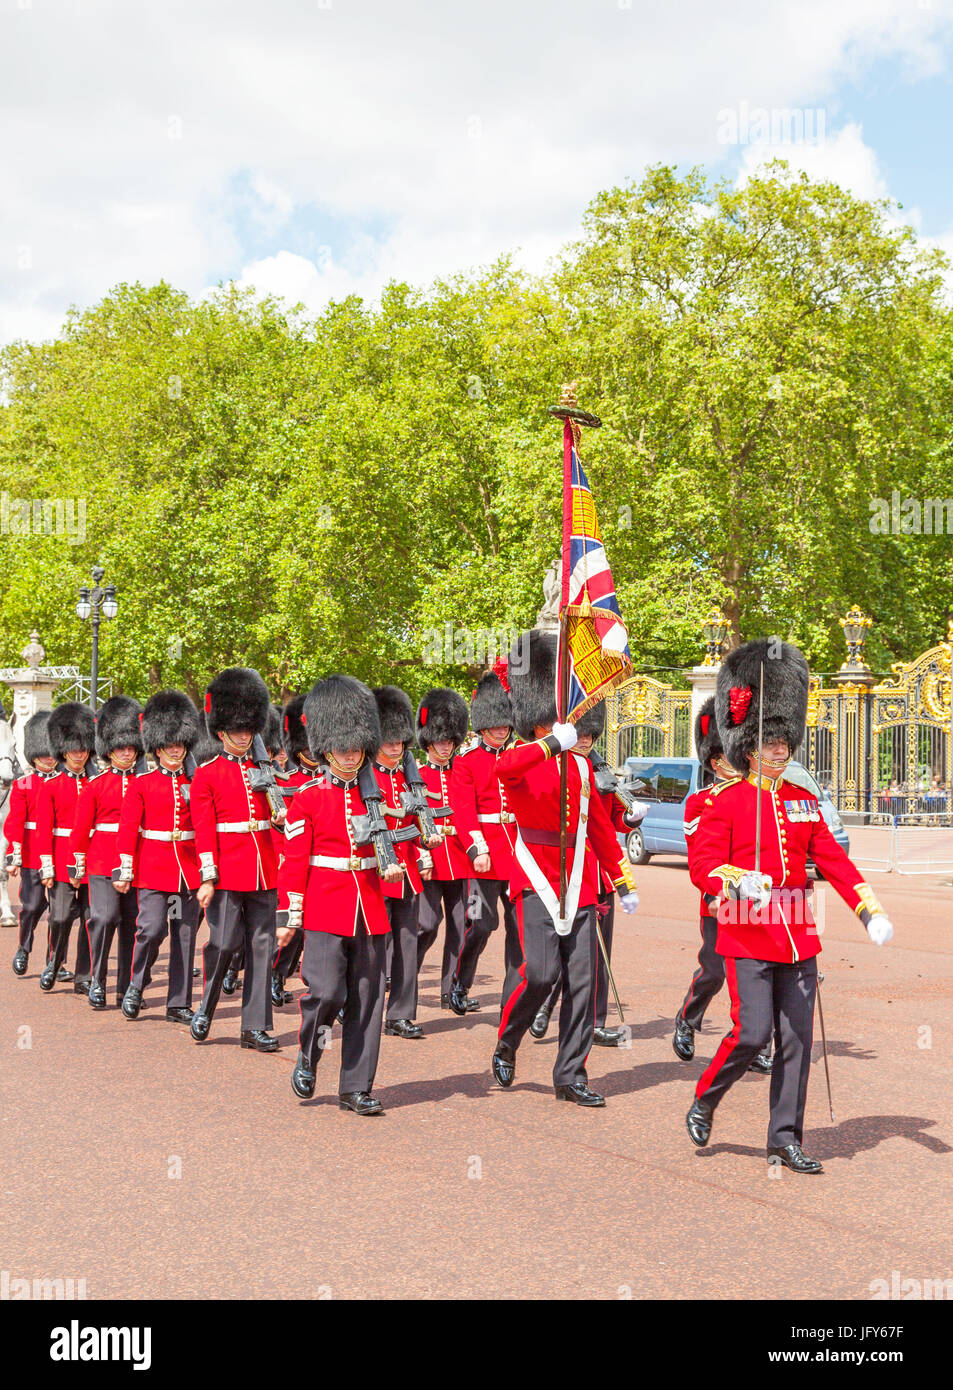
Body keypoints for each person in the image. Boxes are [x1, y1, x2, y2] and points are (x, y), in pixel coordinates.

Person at [685, 638, 895, 1173]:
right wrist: (735, 881)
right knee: (751, 1033)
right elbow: (703, 867)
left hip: (799, 928)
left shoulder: (803, 802)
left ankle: (784, 1138)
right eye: (771, 742)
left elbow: (833, 861)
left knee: (796, 1040)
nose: (780, 750)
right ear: (748, 746)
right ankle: (707, 1095)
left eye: (785, 742)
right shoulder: (725, 801)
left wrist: (867, 908)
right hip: (744, 927)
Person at [493, 630, 639, 1107]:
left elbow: (597, 827)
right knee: (538, 974)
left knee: (582, 980)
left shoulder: (579, 769)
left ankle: (570, 1074)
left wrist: (621, 879)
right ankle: (508, 1039)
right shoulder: (523, 758)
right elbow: (505, 771)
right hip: (535, 875)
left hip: (578, 879)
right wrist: (551, 744)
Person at [280, 674, 401, 1114]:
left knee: (368, 999)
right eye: (343, 748)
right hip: (325, 906)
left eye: (357, 748)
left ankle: (356, 1087)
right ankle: (310, 1053)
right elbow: (295, 860)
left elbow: (399, 840)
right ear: (326, 748)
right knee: (327, 993)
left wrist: (414, 841)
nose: (351, 755)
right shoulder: (308, 797)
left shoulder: (381, 793)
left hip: (370, 906)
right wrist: (289, 913)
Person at [529, 699, 642, 1047]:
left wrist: (631, 818)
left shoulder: (601, 770)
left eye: (591, 735)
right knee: (566, 952)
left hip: (599, 873)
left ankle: (594, 1021)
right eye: (581, 734)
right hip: (567, 872)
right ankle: (545, 1006)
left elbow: (609, 825)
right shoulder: (556, 766)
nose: (586, 740)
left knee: (595, 952)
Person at [672, 696, 772, 1074]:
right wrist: (718, 892)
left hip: (761, 900)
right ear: (717, 760)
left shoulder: (764, 796)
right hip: (720, 901)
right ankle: (687, 1018)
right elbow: (701, 857)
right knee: (715, 970)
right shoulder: (701, 802)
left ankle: (753, 1042)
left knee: (756, 973)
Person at [189, 667, 284, 1052]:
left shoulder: (268, 772)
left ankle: (255, 1026)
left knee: (262, 946)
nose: (245, 736)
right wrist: (208, 876)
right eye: (238, 730)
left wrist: (281, 817)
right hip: (228, 870)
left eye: (249, 729)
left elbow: (281, 822)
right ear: (222, 730)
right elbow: (204, 827)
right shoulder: (208, 774)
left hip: (264, 870)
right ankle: (207, 1007)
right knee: (225, 944)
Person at [116, 690, 203, 1024]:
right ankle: (136, 984)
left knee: (184, 935)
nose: (176, 749)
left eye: (180, 743)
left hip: (187, 873)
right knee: (151, 929)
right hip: (153, 871)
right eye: (169, 744)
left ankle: (178, 1003)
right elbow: (128, 829)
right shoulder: (142, 784)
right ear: (157, 746)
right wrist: (124, 868)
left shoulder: (196, 782)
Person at [448, 663, 518, 1015]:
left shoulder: (521, 755)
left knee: (520, 927)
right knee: (482, 923)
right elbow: (463, 810)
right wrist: (477, 847)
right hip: (483, 856)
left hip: (518, 852)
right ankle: (460, 982)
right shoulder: (467, 760)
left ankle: (515, 999)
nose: (501, 729)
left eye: (505, 723)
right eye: (495, 724)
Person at [69, 695, 144, 1010]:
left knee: (132, 925)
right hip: (101, 861)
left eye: (130, 747)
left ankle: (125, 987)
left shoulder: (143, 783)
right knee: (104, 917)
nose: (127, 752)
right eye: (121, 748)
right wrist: (77, 865)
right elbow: (80, 829)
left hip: (138, 861)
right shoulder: (95, 786)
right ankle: (97, 979)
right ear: (109, 750)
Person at [372, 686, 434, 1039]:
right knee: (374, 947)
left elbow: (416, 821)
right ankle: (361, 1006)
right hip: (378, 871)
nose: (395, 748)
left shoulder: (408, 777)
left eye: (399, 742)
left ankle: (400, 1014)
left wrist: (424, 851)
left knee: (407, 941)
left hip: (407, 870)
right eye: (389, 741)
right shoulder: (367, 776)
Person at [413, 688, 471, 1007]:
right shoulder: (418, 777)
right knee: (426, 925)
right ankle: (406, 976)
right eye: (440, 740)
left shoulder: (463, 773)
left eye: (450, 740)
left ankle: (451, 991)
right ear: (429, 741)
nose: (445, 745)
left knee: (461, 927)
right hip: (432, 860)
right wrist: (422, 854)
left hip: (461, 859)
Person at [35, 702, 95, 994]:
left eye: (83, 748)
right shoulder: (51, 786)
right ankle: (55, 962)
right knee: (59, 917)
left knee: (89, 919)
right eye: (74, 749)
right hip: (61, 859)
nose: (79, 754)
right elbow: (44, 829)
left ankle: (84, 977)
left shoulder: (96, 783)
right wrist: (46, 867)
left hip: (93, 861)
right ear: (64, 750)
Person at [269, 693, 314, 1008]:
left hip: (323, 862)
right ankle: (275, 974)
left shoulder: (330, 780)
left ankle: (319, 987)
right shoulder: (287, 779)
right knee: (293, 926)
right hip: (291, 859)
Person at [7, 713, 58, 978]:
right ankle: (24, 947)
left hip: (60, 855)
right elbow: (15, 822)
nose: (49, 758)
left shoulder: (67, 782)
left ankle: (54, 961)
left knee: (60, 914)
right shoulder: (23, 784)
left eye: (52, 753)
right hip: (31, 856)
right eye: (43, 754)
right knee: (32, 906)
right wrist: (14, 856)